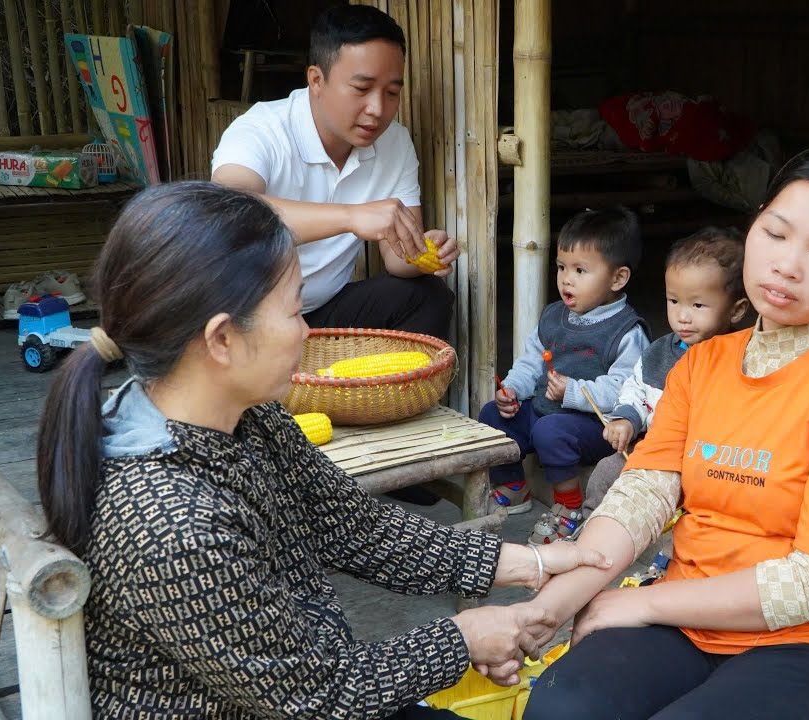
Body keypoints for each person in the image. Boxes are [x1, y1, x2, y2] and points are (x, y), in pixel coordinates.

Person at [35, 182, 609, 719]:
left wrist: (530, 564)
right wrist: (464, 638)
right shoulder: (170, 524)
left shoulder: (248, 416)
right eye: (294, 310)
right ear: (222, 339)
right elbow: (318, 698)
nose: (308, 331)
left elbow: (353, 525)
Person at [522, 146, 809, 720]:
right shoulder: (702, 364)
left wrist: (642, 605)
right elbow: (643, 494)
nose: (788, 266)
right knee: (561, 708)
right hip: (689, 619)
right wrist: (542, 612)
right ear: (754, 225)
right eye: (776, 234)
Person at [211, 4, 456, 341]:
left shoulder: (395, 143)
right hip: (247, 317)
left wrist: (424, 252)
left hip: (321, 309)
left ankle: (396, 382)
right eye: (362, 89)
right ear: (316, 80)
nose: (377, 109)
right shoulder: (261, 130)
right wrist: (350, 217)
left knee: (427, 296)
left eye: (392, 92)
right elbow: (230, 215)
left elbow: (396, 260)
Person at [479, 206, 650, 545]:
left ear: (618, 278)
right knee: (491, 415)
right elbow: (530, 362)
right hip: (547, 412)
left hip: (594, 427)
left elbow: (626, 389)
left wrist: (574, 391)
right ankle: (513, 486)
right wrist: (513, 389)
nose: (566, 279)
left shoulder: (627, 332)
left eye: (580, 270)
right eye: (561, 267)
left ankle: (568, 507)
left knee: (550, 431)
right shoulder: (554, 316)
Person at [583, 226, 750, 522]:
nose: (682, 316)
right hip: (653, 450)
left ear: (736, 310)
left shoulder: (741, 358)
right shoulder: (658, 352)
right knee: (606, 472)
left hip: (709, 462)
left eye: (697, 305)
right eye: (674, 301)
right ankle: (592, 526)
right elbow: (636, 389)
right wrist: (626, 419)